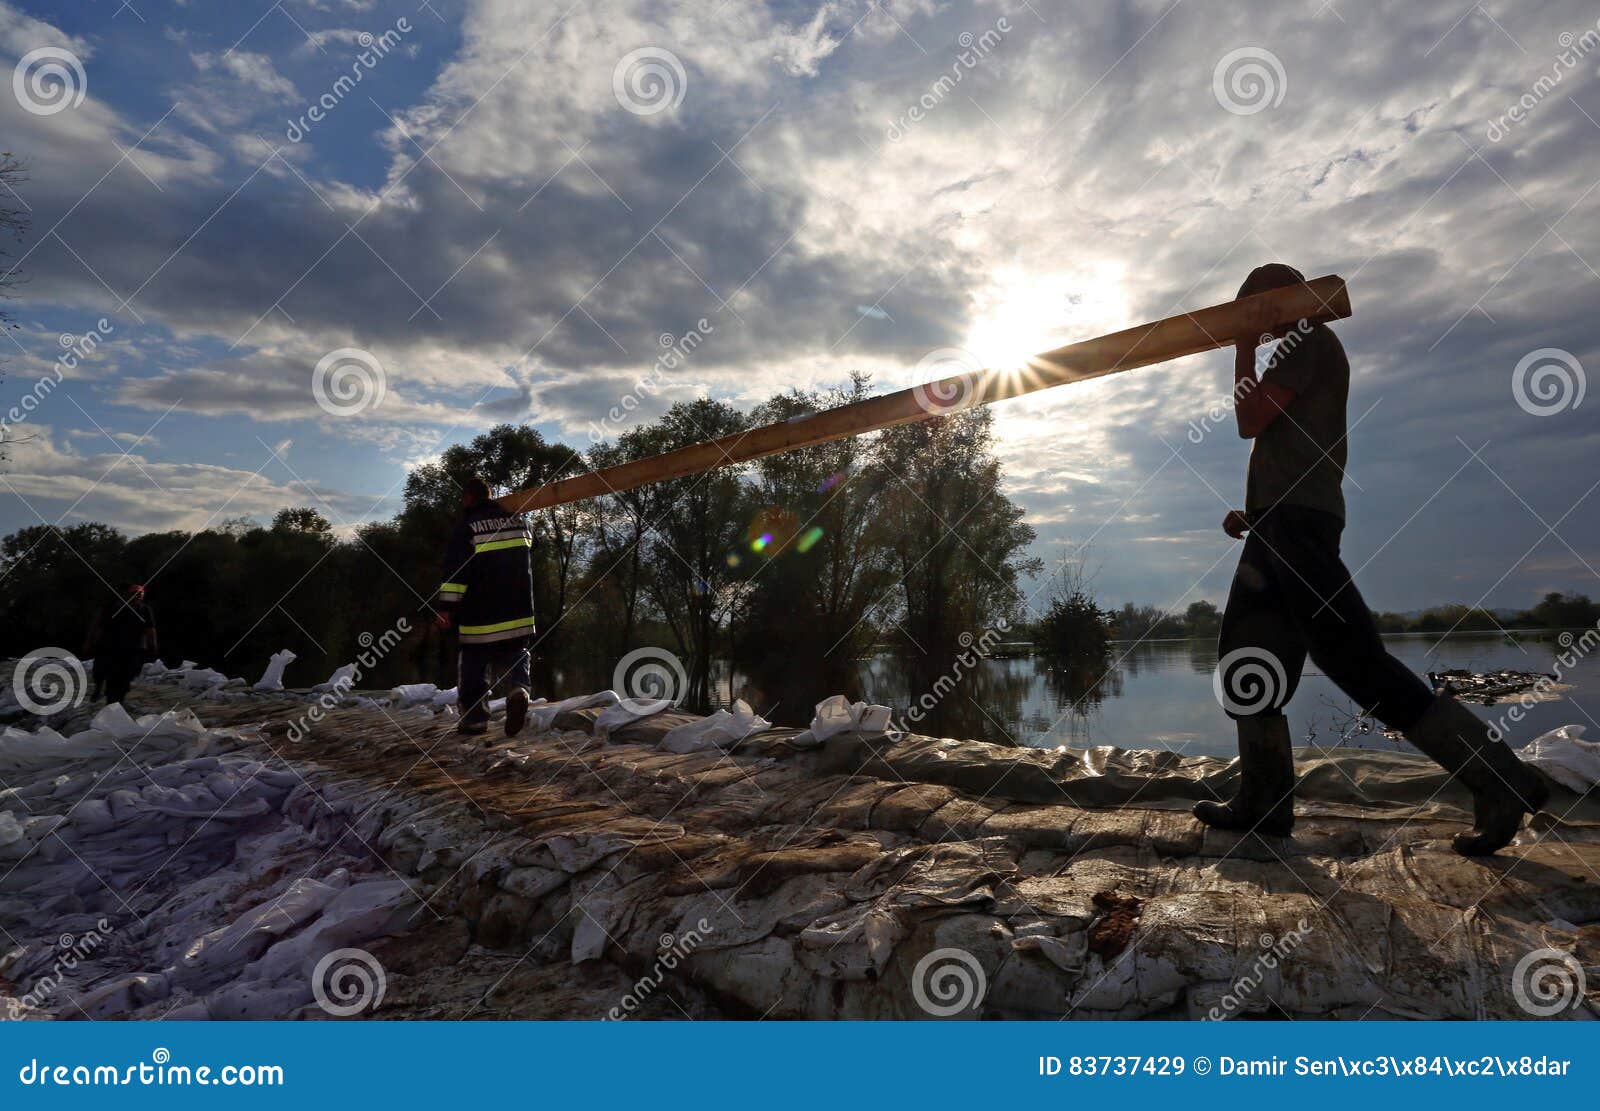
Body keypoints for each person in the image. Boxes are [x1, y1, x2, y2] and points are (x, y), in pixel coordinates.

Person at [1196, 263, 1549, 856]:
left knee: (1357, 662)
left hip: (1299, 528)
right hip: (1276, 527)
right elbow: (1280, 443)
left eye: (1254, 310)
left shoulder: (1309, 342)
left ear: (1282, 304)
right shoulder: (1299, 350)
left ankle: (1501, 781)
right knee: (1248, 661)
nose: (1252, 322)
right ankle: (1263, 804)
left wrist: (1240, 347)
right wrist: (1254, 515)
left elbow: (1249, 419)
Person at [434, 477, 535, 738]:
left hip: (480, 615)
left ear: (468, 498)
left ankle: (474, 720)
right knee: (516, 652)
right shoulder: (520, 523)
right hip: (519, 612)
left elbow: (455, 573)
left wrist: (445, 608)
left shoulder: (466, 528)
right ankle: (519, 689)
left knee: (473, 665)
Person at [85, 583, 158, 708]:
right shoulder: (115, 608)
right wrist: (91, 641)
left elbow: (150, 629)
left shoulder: (144, 610)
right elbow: (99, 625)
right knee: (107, 673)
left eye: (139, 594)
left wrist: (153, 645)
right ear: (128, 595)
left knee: (127, 675)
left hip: (134, 649)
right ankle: (108, 697)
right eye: (134, 594)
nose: (136, 596)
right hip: (112, 647)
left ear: (143, 596)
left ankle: (119, 700)